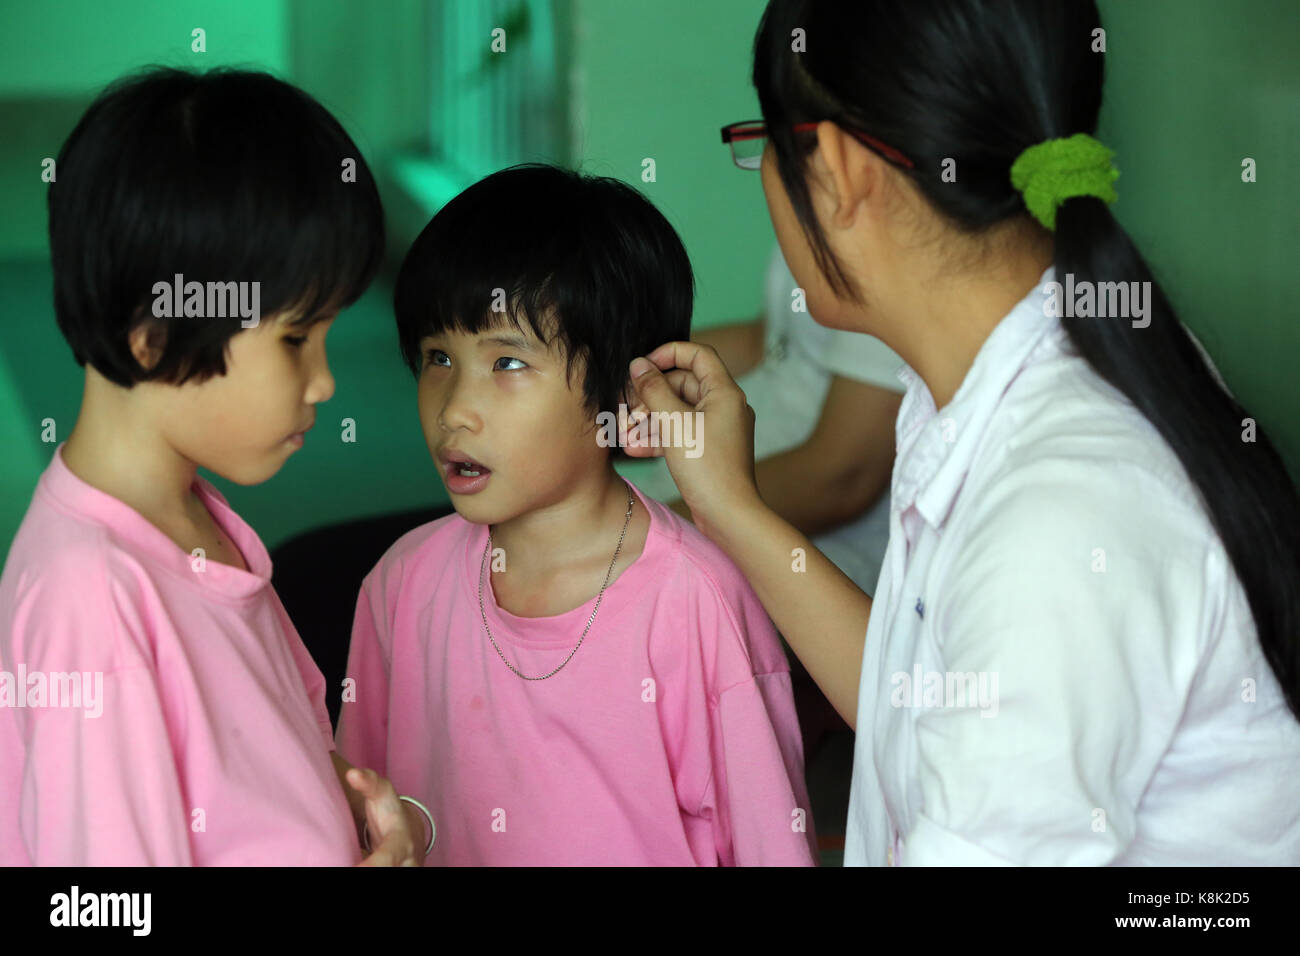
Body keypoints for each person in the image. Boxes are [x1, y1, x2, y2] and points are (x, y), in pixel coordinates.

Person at [623, 0, 1300, 865]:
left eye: (764, 144)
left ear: (832, 167)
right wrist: (729, 507)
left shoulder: (1062, 511)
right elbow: (926, 700)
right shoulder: (1000, 380)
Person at [0, 67, 427, 865]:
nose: (327, 381)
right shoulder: (91, 601)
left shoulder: (192, 521)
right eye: (296, 340)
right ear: (154, 337)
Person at [334, 163, 818, 866]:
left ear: (623, 389)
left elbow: (770, 848)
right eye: (439, 357)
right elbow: (360, 820)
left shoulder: (694, 602)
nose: (454, 408)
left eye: (506, 363)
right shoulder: (400, 585)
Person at [621, 242, 905, 598]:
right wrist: (609, 385)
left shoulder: (891, 264)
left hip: (826, 555)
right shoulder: (809, 218)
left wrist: (643, 531)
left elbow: (844, 477)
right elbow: (769, 342)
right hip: (694, 505)